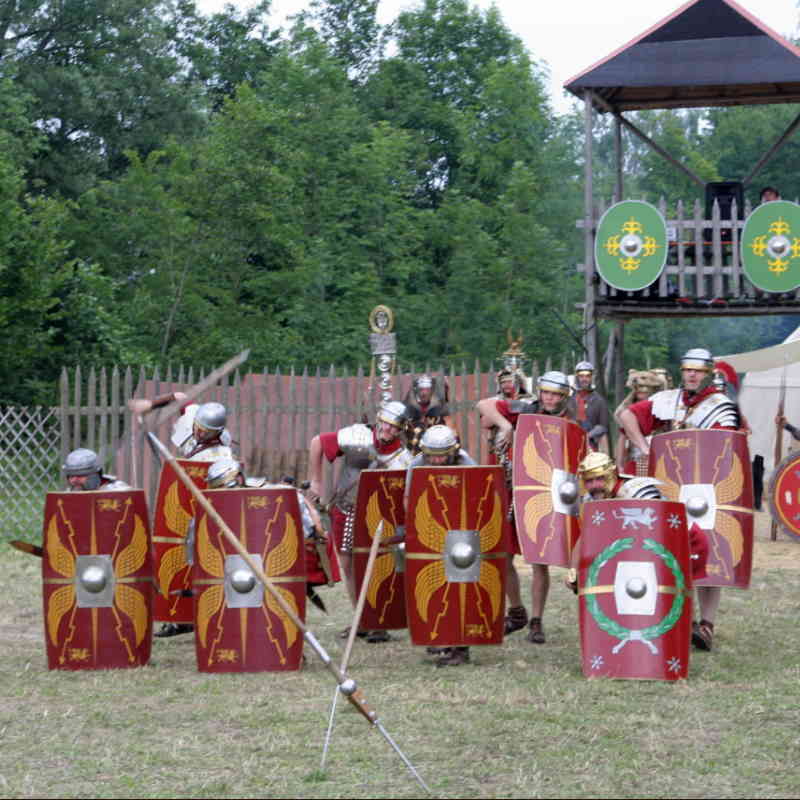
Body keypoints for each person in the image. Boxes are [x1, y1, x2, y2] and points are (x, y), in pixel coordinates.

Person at [619, 347, 740, 651]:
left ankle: (707, 624)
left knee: (707, 555)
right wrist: (644, 449)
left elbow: (724, 451)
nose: (691, 375)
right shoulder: (666, 399)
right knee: (665, 550)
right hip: (668, 490)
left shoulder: (721, 406)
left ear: (708, 373)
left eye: (697, 370)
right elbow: (626, 415)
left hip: (704, 492)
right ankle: (670, 616)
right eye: (687, 369)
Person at [477, 370, 574, 645]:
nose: (550, 398)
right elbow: (484, 405)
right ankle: (517, 610)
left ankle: (537, 620)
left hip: (542, 494)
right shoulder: (523, 409)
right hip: (511, 489)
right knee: (504, 556)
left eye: (556, 394)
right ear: (540, 392)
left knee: (538, 560)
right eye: (546, 392)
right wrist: (507, 427)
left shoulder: (568, 424)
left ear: (563, 396)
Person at [307, 400, 413, 641]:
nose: (387, 430)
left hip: (379, 518)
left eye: (394, 427)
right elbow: (318, 442)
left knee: (378, 566)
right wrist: (316, 480)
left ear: (401, 429)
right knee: (347, 565)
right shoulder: (358, 437)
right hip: (346, 508)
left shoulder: (403, 460)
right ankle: (361, 619)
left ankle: (378, 620)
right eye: (385, 424)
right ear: (379, 420)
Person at [205, 458, 338, 611]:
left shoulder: (271, 493)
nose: (225, 493)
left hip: (274, 557)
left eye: (226, 487)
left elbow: (307, 532)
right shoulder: (215, 504)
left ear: (239, 478)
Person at [403, 425, 477, 667]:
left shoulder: (467, 464)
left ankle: (460, 646)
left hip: (462, 535)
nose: (435, 460)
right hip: (432, 533)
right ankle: (441, 637)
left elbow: (479, 497)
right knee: (435, 586)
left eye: (441, 455)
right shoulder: (417, 464)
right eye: (431, 455)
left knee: (459, 588)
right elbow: (408, 500)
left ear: (453, 451)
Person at [613, 369, 667, 475]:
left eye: (644, 388)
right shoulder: (629, 411)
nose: (641, 391)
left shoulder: (661, 406)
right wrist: (619, 464)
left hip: (659, 459)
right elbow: (622, 438)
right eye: (638, 388)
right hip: (635, 459)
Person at [403, 374, 456, 454]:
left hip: (434, 452)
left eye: (427, 390)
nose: (424, 393)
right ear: (417, 390)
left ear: (431, 391)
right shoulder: (408, 408)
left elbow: (451, 430)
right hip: (411, 451)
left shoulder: (440, 409)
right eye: (422, 389)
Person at [567, 361, 609, 453]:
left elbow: (603, 426)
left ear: (591, 378)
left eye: (587, 376)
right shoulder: (568, 399)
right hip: (568, 441)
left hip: (590, 444)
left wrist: (586, 436)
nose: (584, 379)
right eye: (581, 376)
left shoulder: (599, 401)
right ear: (577, 377)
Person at [63, 448, 130, 491]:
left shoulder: (118, 490)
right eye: (71, 476)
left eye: (80, 475)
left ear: (95, 475)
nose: (74, 480)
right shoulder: (71, 492)